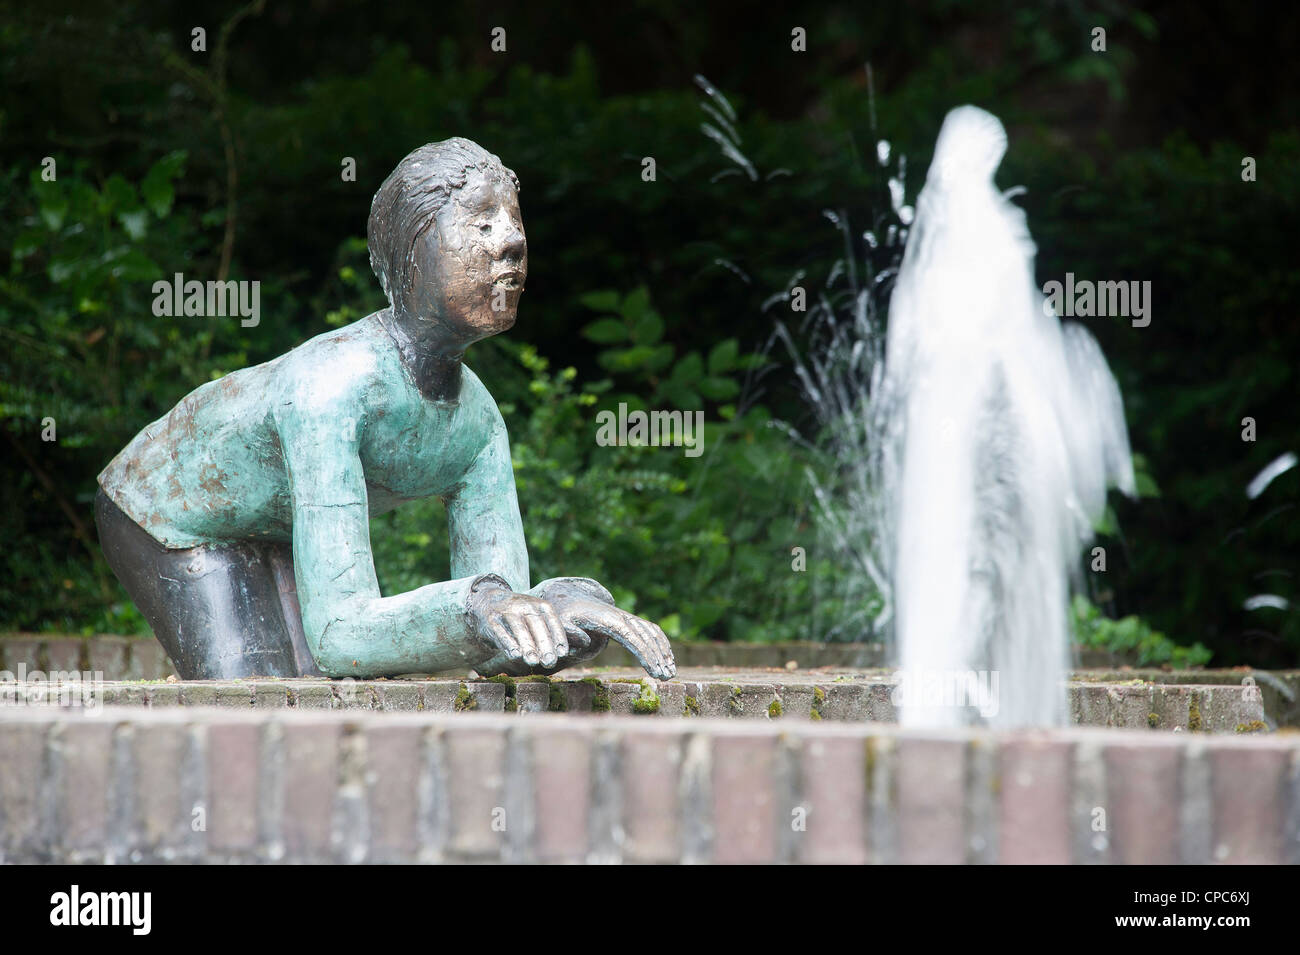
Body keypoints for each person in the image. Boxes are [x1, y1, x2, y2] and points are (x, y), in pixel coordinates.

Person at [96, 138, 676, 682]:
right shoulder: (331, 388)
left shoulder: (477, 422)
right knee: (261, 698)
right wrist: (477, 604)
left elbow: (506, 624)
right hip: (163, 514)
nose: (512, 243)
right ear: (412, 254)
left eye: (515, 223)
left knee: (320, 695)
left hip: (275, 525)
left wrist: (566, 611)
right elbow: (343, 633)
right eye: (481, 223)